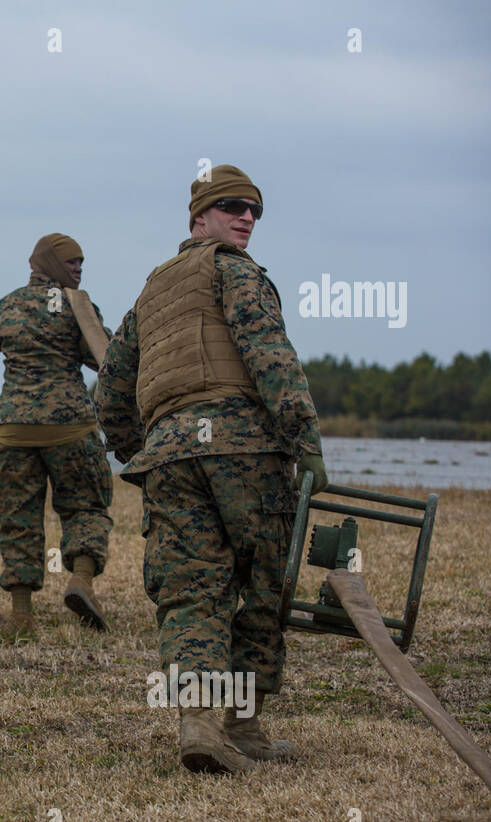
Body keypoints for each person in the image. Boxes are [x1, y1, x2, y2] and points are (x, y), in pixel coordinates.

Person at [97, 165, 327, 773]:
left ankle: (198, 723)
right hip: (246, 450)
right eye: (231, 207)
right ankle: (242, 728)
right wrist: (307, 444)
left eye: (254, 209)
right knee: (260, 586)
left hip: (171, 455)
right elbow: (270, 355)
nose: (246, 217)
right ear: (198, 218)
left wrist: (137, 447)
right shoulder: (235, 271)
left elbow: (111, 389)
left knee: (190, 590)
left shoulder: (151, 292)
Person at [0, 233, 114, 633]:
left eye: (81, 262)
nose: (78, 268)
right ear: (51, 264)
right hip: (71, 429)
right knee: (85, 507)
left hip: (13, 431)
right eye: (72, 262)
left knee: (18, 518)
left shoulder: (4, 307)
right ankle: (80, 580)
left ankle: (21, 615)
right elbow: (108, 361)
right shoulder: (77, 307)